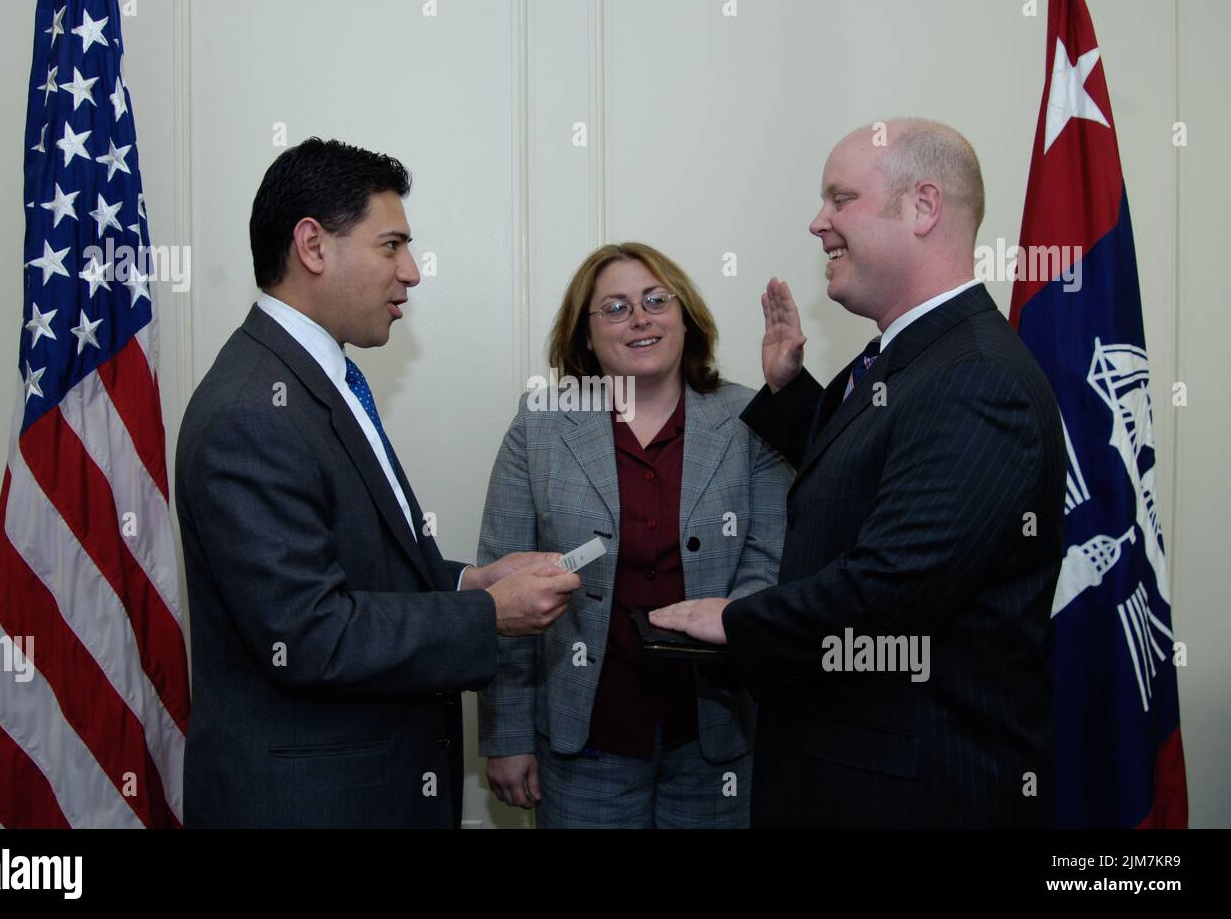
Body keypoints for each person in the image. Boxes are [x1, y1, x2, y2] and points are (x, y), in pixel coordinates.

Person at [652, 119, 1067, 828]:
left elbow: (892, 584)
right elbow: (874, 476)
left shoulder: (976, 376)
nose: (818, 223)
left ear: (923, 206)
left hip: (914, 794)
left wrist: (737, 620)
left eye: (840, 199)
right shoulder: (915, 357)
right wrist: (790, 395)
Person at [176, 138, 579, 828]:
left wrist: (468, 583)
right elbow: (311, 635)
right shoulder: (253, 410)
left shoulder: (312, 380)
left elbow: (357, 570)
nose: (412, 273)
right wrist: (488, 615)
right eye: (391, 246)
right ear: (312, 245)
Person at [477, 242, 792, 828]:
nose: (641, 318)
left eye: (656, 300)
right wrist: (507, 734)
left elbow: (771, 556)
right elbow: (503, 588)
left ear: (685, 317)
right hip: (586, 741)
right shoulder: (539, 425)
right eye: (616, 308)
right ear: (586, 336)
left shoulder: (750, 417)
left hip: (717, 731)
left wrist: (735, 618)